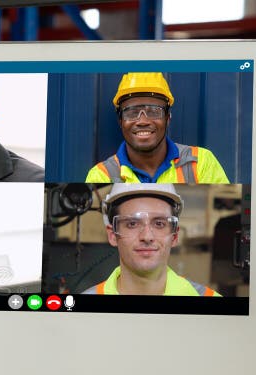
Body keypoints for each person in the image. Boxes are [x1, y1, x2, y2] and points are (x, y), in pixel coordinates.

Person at [85, 72, 230, 184]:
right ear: (120, 120)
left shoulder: (201, 162)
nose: (142, 121)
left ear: (168, 118)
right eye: (132, 112)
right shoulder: (101, 175)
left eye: (154, 111)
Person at [83, 183, 221, 296]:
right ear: (112, 235)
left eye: (159, 224)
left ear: (174, 236)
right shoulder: (83, 310)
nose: (147, 237)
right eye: (132, 224)